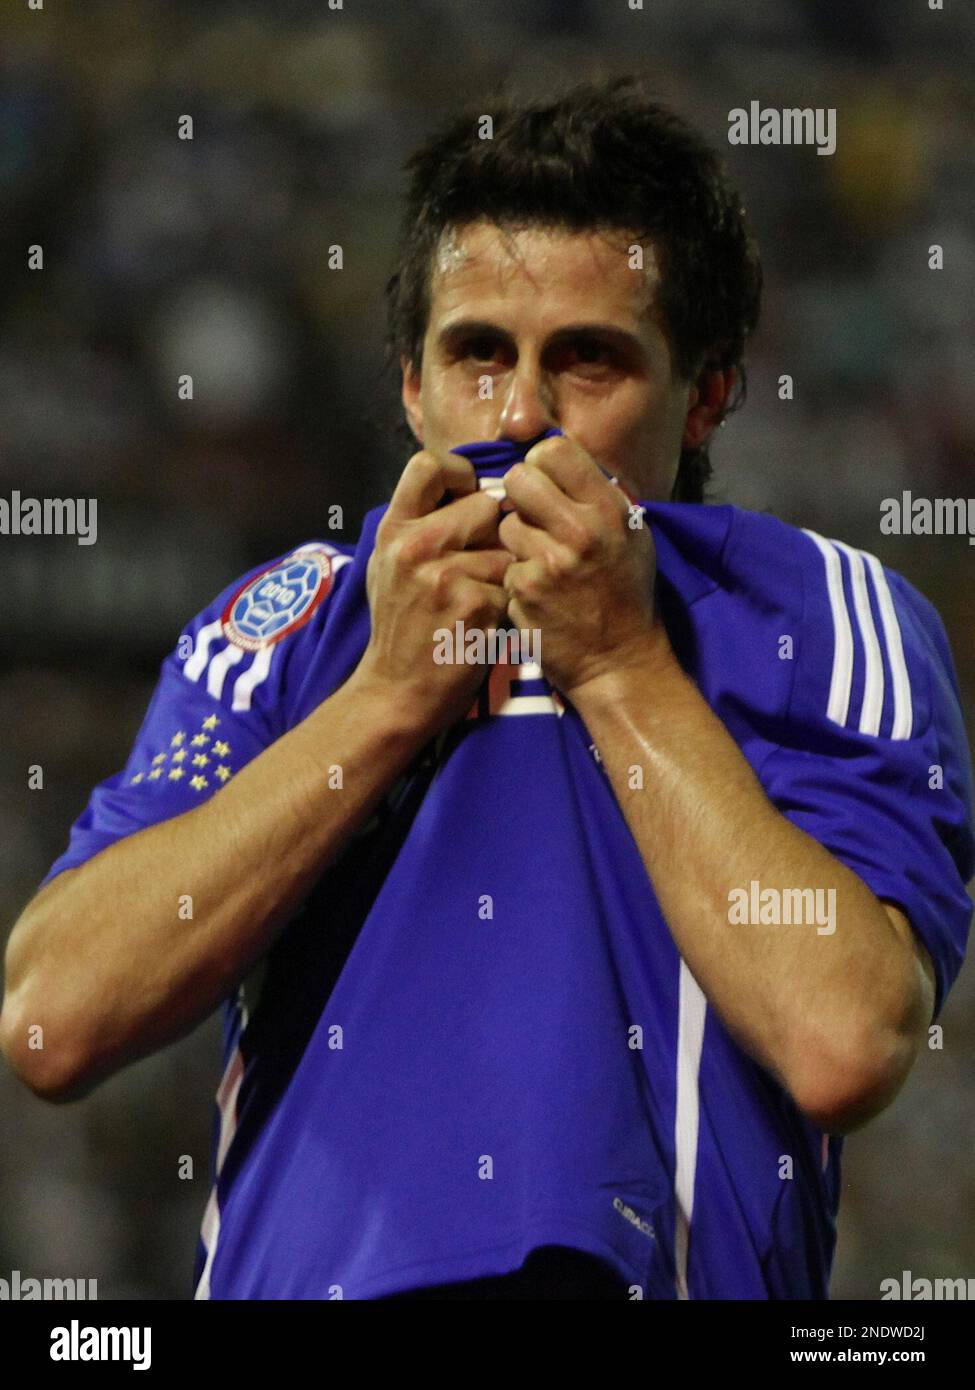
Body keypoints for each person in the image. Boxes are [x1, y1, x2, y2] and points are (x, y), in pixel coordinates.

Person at [2, 78, 972, 1301]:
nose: (521, 412)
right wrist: (384, 699)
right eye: (477, 355)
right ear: (412, 385)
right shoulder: (295, 622)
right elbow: (54, 1017)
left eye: (589, 360)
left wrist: (619, 665)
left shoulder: (829, 614)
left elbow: (845, 1037)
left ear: (710, 391)